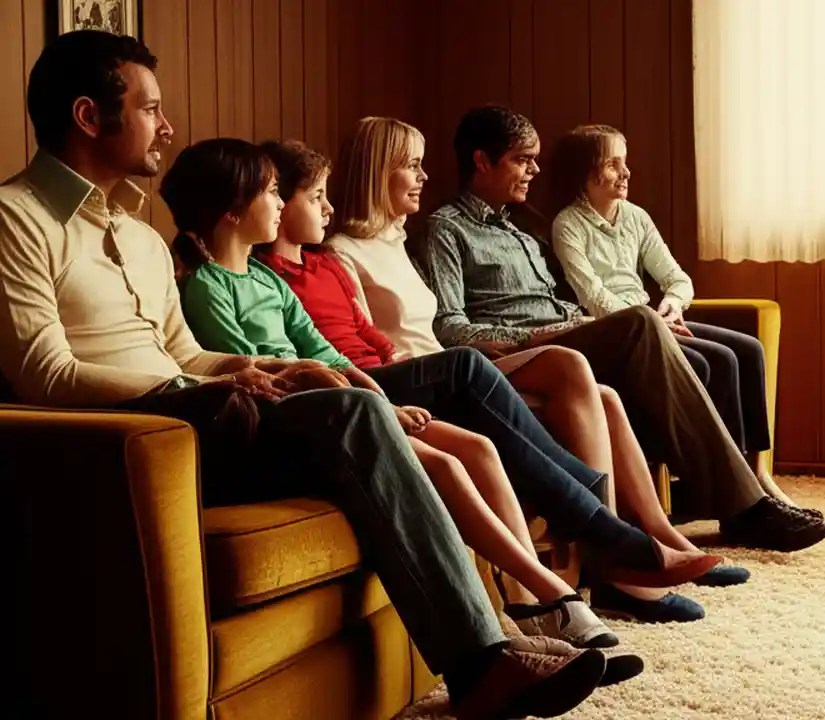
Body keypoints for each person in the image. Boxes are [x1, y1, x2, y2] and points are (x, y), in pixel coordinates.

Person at [0, 30, 608, 719]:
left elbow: (182, 351)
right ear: (88, 117)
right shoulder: (16, 219)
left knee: (351, 397)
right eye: (149, 109)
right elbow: (44, 373)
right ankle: (484, 657)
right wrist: (203, 387)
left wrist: (267, 366)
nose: (166, 126)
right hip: (128, 444)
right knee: (359, 412)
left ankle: (498, 637)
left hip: (203, 415)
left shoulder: (140, 237)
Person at [161, 137, 693, 649]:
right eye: (275, 193)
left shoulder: (270, 280)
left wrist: (379, 395)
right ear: (233, 210)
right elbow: (265, 373)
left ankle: (543, 601)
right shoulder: (208, 287)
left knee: (479, 446)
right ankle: (584, 551)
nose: (285, 204)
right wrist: (373, 397)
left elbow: (329, 351)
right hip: (309, 410)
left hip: (357, 390)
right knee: (464, 380)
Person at [318, 118, 730, 620]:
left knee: (604, 393)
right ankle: (619, 553)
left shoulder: (399, 241)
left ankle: (643, 543)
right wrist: (534, 337)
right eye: (411, 166)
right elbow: (376, 344)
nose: (424, 176)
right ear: (377, 171)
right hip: (428, 377)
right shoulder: (346, 254)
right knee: (581, 353)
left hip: (455, 367)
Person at [414, 105, 825, 552]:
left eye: (534, 160)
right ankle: (745, 509)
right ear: (481, 161)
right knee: (640, 319)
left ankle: (739, 497)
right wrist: (536, 336)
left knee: (696, 340)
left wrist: (587, 323)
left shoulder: (523, 228)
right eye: (521, 159)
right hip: (534, 350)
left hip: (570, 330)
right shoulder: (446, 229)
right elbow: (450, 327)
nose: (534, 170)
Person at [549, 124, 772, 470]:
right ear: (586, 173)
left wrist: (673, 304)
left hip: (653, 318)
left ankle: (756, 472)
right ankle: (723, 474)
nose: (626, 173)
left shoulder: (636, 217)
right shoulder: (567, 225)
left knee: (749, 349)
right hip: (619, 328)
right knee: (720, 360)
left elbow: (677, 278)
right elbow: (593, 296)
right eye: (612, 164)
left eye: (625, 162)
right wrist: (651, 322)